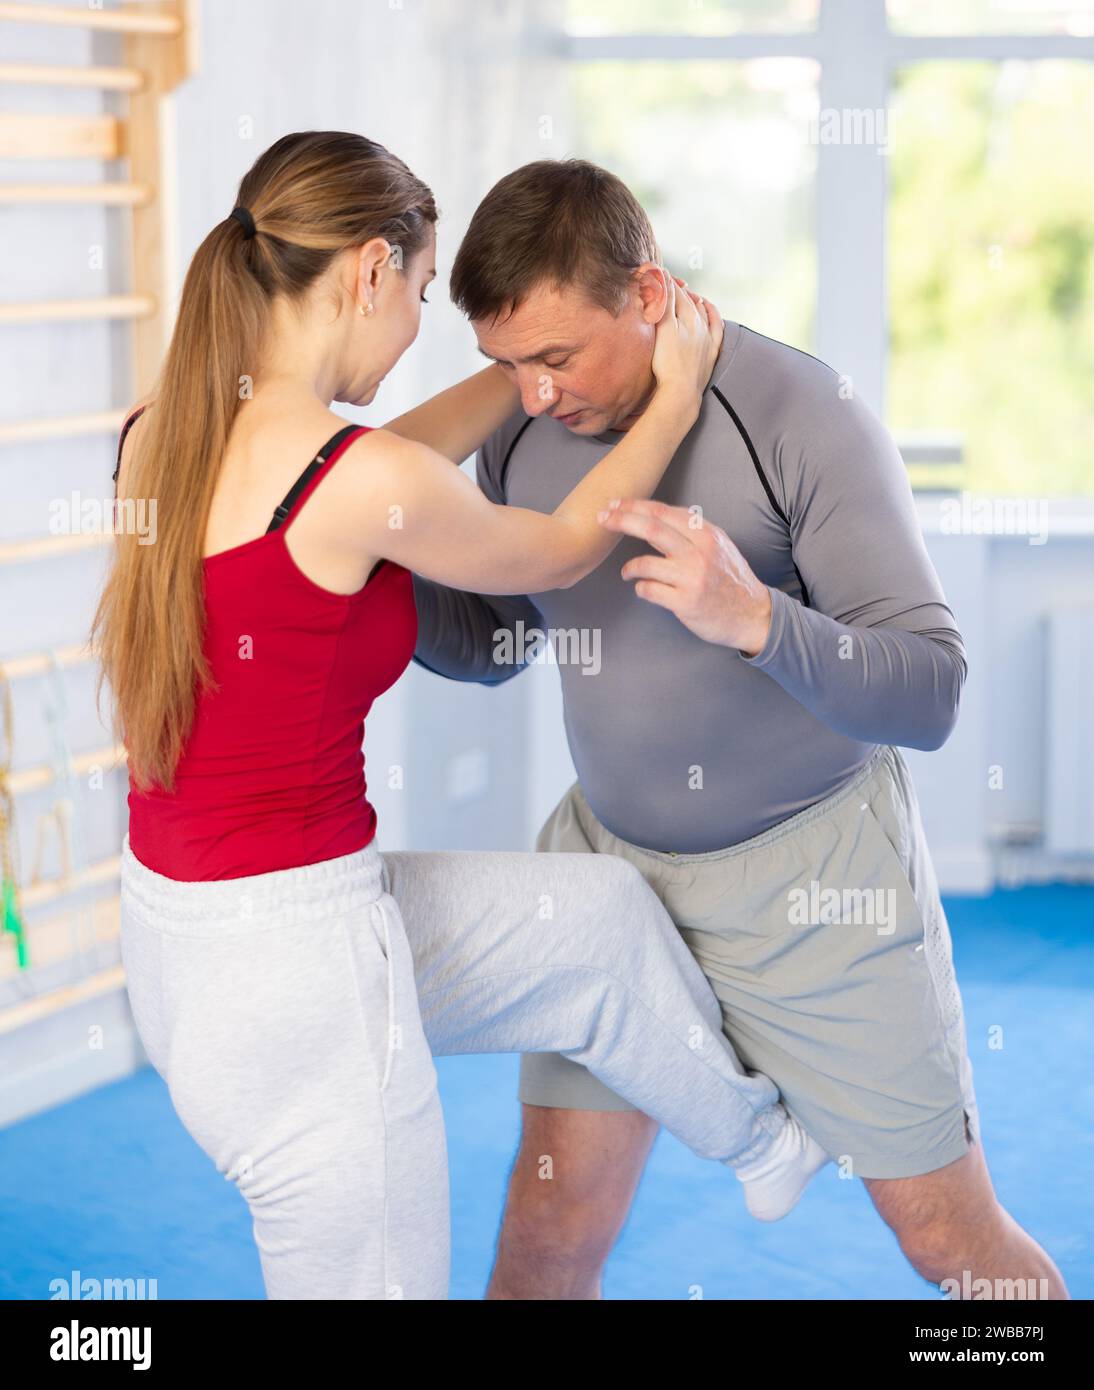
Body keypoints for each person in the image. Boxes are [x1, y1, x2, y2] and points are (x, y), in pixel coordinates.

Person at [93, 131, 829, 1302]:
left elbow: (381, 461)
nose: (416, 322)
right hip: (299, 977)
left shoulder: (164, 437)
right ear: (370, 271)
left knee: (588, 923)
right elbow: (550, 547)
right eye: (426, 291)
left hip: (199, 942)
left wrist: (554, 353)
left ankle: (759, 1142)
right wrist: (670, 392)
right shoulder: (349, 479)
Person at [410, 157, 1069, 1301]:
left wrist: (757, 618)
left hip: (815, 883)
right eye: (503, 365)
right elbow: (494, 642)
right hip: (610, 880)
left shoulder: (798, 413)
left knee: (953, 1252)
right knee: (548, 1236)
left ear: (648, 294)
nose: (532, 397)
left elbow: (929, 689)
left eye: (556, 357)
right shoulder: (520, 435)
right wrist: (358, 569)